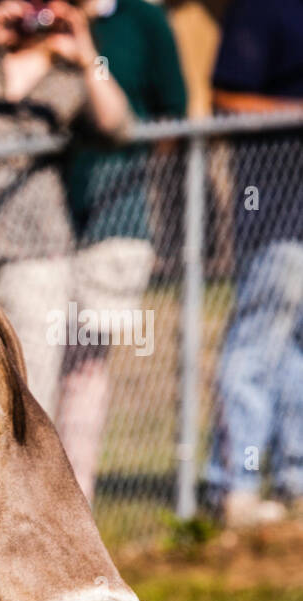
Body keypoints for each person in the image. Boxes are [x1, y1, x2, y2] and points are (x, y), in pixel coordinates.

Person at [0, 0, 131, 417]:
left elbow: (118, 124)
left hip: (37, 253)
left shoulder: (71, 70)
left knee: (29, 392)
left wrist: (87, 54)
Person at [57, 0, 187, 503]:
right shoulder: (40, 17)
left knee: (85, 367)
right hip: (38, 223)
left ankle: (73, 500)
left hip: (114, 219)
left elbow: (171, 116)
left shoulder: (143, 21)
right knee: (35, 363)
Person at [203, 0, 303, 528]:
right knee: (256, 350)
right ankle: (234, 489)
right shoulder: (263, 9)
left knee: (295, 353)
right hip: (275, 211)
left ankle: (294, 481)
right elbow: (224, 99)